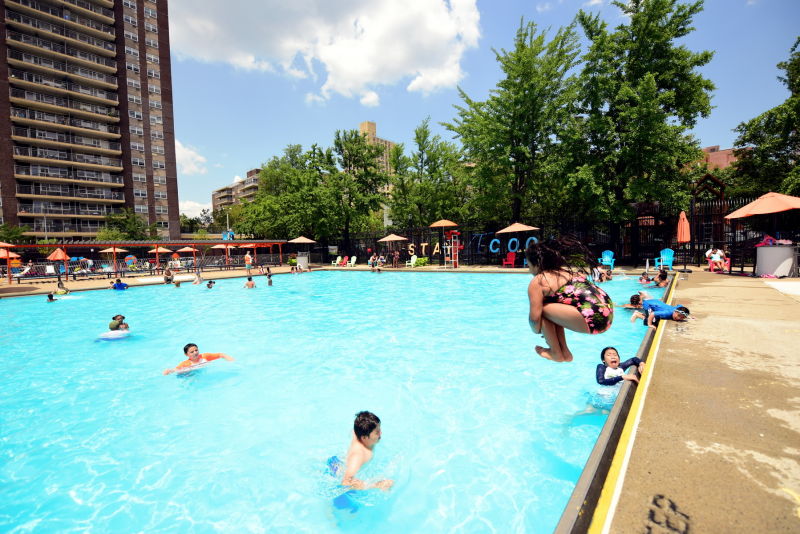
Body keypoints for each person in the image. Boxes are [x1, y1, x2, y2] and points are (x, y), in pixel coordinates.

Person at [526, 235, 614, 362]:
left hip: (594, 320)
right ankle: (565, 353)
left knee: (542, 311)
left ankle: (556, 353)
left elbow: (534, 320)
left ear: (537, 264)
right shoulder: (567, 272)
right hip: (608, 315)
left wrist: (538, 330)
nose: (529, 271)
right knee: (550, 308)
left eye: (529, 266)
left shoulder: (539, 281)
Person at [339, 411, 393, 491]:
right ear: (364, 438)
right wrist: (376, 485)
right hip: (341, 470)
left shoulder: (359, 431)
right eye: (377, 432)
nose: (381, 433)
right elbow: (345, 482)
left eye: (379, 429)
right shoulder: (359, 455)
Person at [163, 343, 234, 375]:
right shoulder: (185, 364)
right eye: (192, 352)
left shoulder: (205, 356)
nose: (195, 353)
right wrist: (168, 371)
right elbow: (176, 369)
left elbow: (220, 354)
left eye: (196, 350)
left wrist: (231, 360)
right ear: (186, 355)